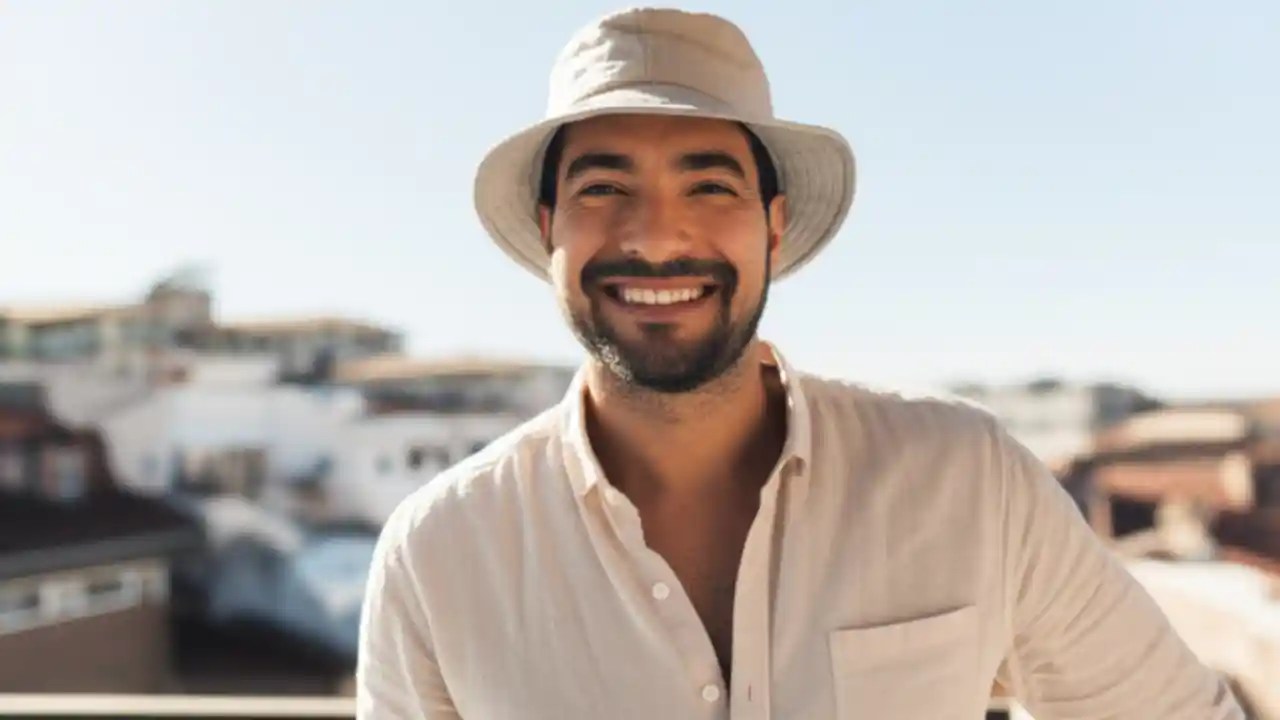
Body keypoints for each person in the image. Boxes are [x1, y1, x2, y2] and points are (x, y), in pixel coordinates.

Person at [356, 8, 1244, 719]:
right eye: (602, 187)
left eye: (710, 185)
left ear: (773, 228)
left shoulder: (970, 481)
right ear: (549, 229)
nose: (658, 236)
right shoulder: (439, 555)